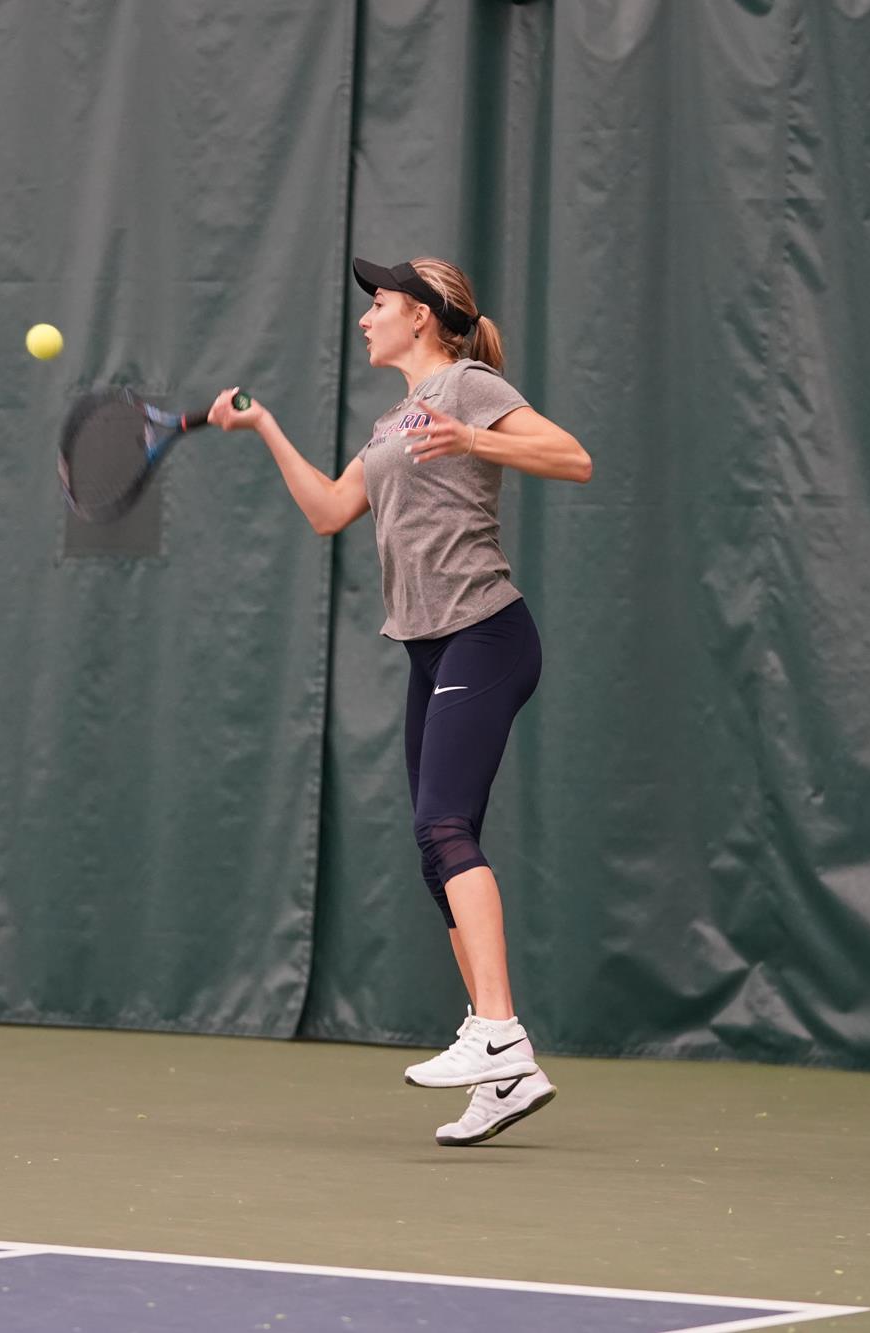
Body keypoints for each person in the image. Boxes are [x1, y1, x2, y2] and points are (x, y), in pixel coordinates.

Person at [209, 256, 592, 1146]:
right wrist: (265, 425)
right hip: (427, 647)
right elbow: (329, 509)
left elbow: (573, 458)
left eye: (378, 305)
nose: (365, 318)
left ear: (422, 316)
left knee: (445, 827)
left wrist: (475, 440)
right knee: (436, 849)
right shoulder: (390, 423)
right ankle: (509, 1074)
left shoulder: (466, 386)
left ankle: (498, 1031)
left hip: (487, 634)